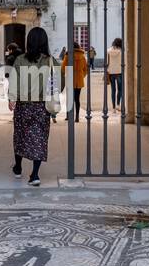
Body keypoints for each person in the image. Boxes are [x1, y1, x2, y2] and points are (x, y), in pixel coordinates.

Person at [8, 27, 62, 186]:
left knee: (20, 136)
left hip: (23, 106)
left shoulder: (20, 60)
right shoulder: (51, 61)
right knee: (39, 138)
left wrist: (12, 98)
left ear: (28, 41)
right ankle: (35, 175)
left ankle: (18, 168)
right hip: (42, 107)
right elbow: (60, 82)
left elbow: (13, 81)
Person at [61, 43, 90, 122]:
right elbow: (85, 69)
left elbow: (63, 68)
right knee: (77, 99)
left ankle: (68, 115)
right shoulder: (82, 56)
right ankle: (77, 117)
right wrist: (81, 76)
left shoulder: (68, 56)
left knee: (69, 99)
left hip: (70, 78)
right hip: (79, 80)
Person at [106, 37, 124, 114]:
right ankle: (118, 105)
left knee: (113, 90)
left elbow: (107, 62)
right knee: (120, 90)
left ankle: (113, 108)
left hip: (111, 72)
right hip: (119, 72)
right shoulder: (121, 51)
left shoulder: (108, 51)